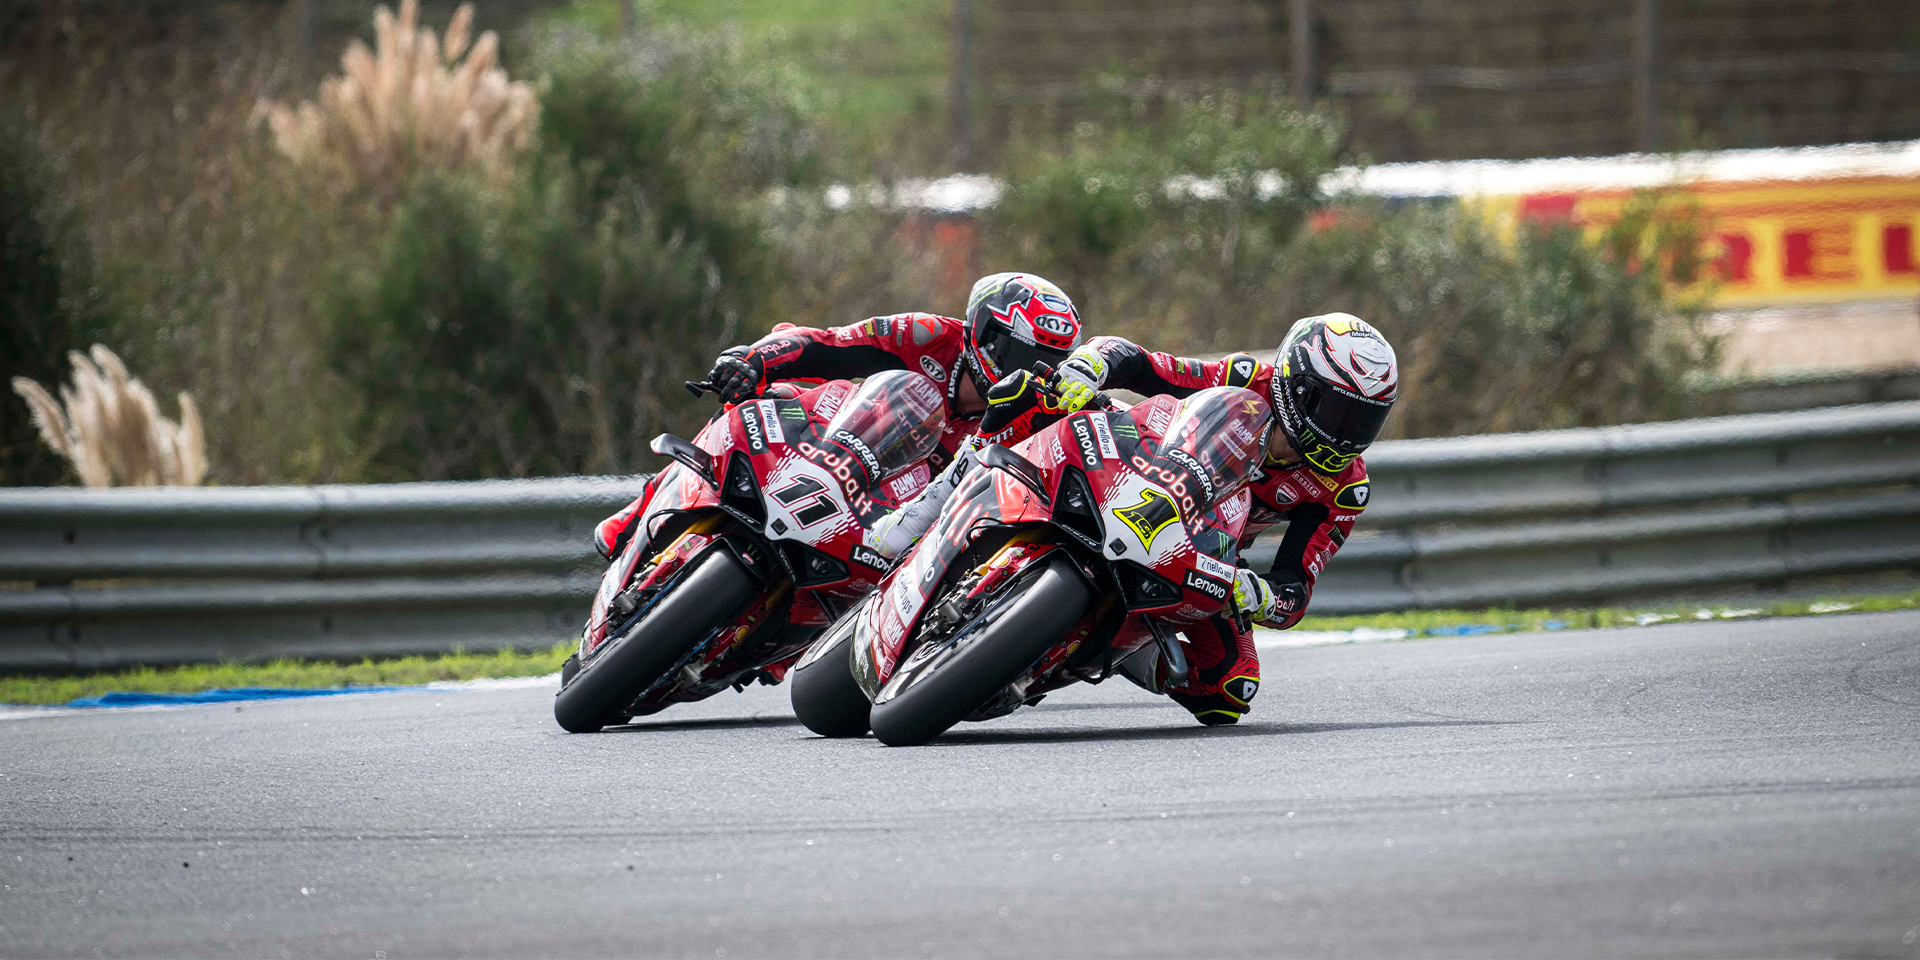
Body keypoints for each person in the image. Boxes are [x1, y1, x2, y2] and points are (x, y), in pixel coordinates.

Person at [1049, 313, 1400, 725]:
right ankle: (966, 484)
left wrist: (1263, 597)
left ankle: (1123, 647)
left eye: (1363, 421)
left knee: (1230, 687)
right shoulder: (1245, 377)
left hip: (1205, 551)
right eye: (1337, 412)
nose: (1346, 435)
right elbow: (1145, 364)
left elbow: (1296, 587)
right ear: (1298, 387)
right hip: (1136, 476)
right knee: (1044, 399)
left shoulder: (1344, 488)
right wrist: (1091, 363)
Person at [592, 272, 1084, 563]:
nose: (1032, 369)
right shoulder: (926, 334)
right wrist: (755, 359)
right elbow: (829, 343)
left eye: (1048, 360)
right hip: (839, 438)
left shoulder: (1042, 410)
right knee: (761, 395)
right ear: (985, 331)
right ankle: (639, 513)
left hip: (902, 510)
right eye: (1020, 350)